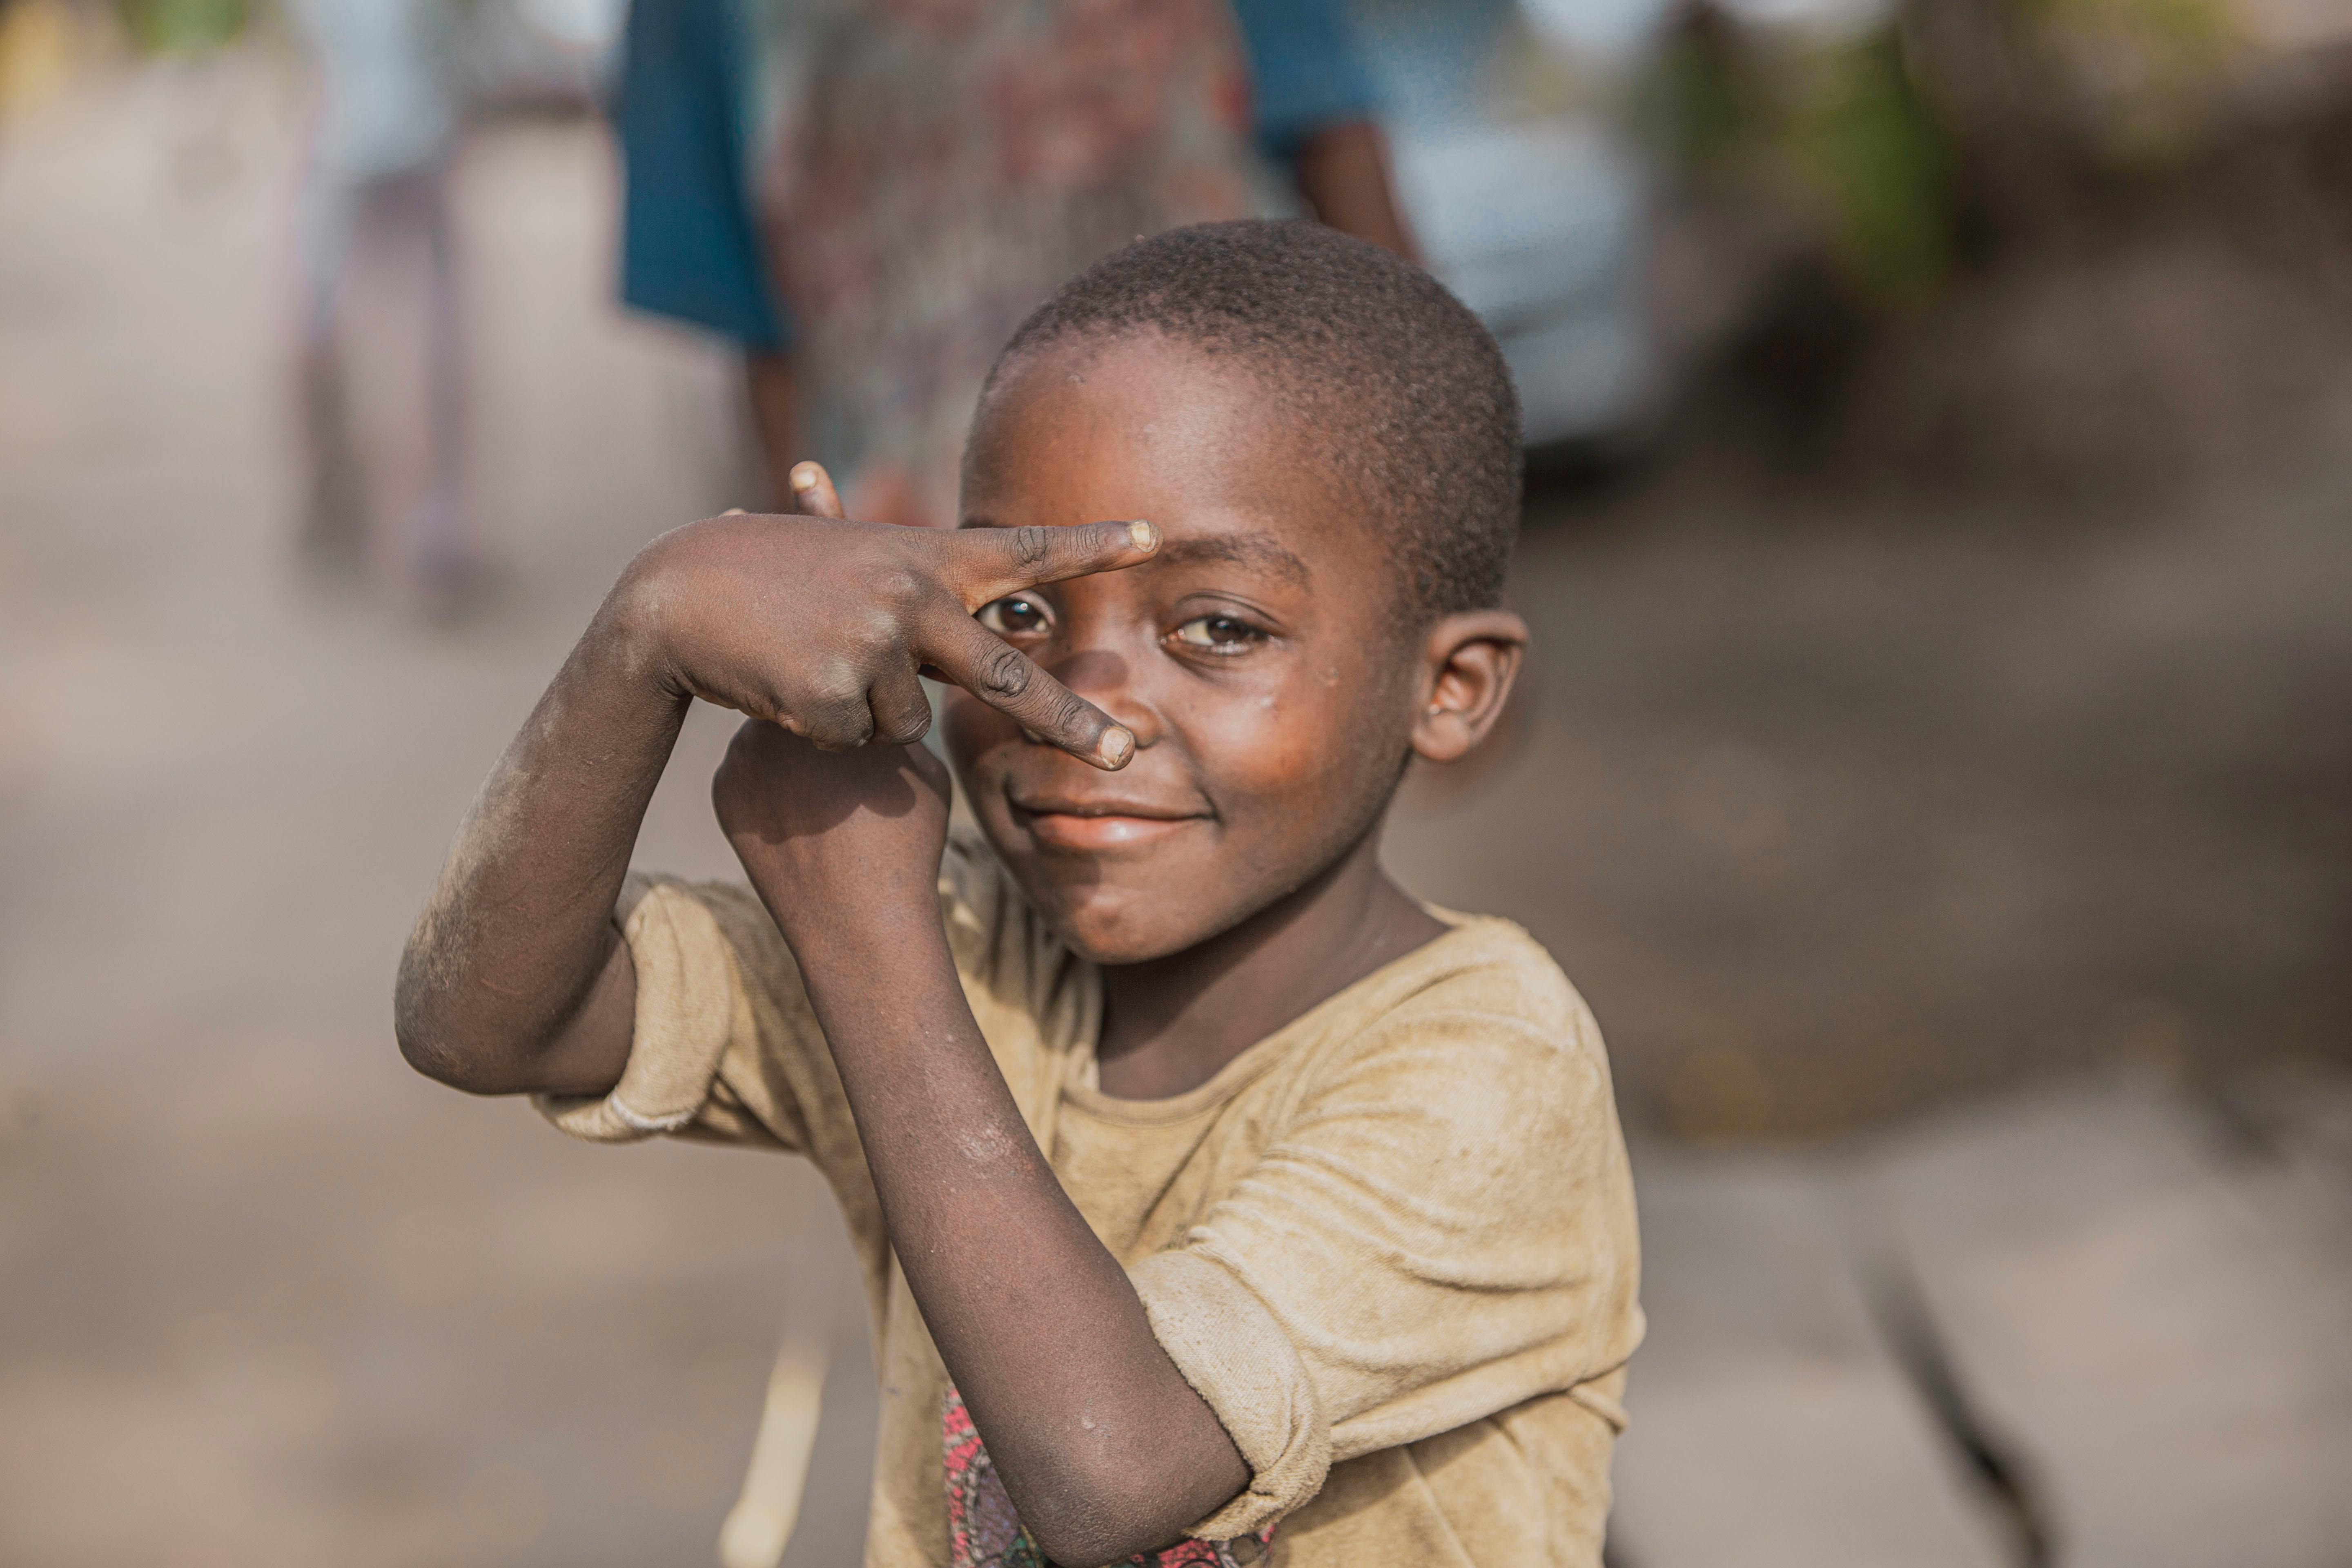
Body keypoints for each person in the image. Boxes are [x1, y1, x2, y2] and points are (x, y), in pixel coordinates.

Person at [395, 220, 1641, 1567]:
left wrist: (861, 925)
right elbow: (487, 1023)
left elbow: (1112, 1472)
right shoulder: (979, 944)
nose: (1081, 707)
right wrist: (643, 633)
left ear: (1446, 692)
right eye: (1022, 617)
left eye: (1217, 627)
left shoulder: (1490, 1058)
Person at [612, 0, 1415, 519]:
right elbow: (762, 324)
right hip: (932, 558)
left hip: (1239, 486)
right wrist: (802, 594)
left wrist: (1430, 523)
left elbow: (1341, 158)